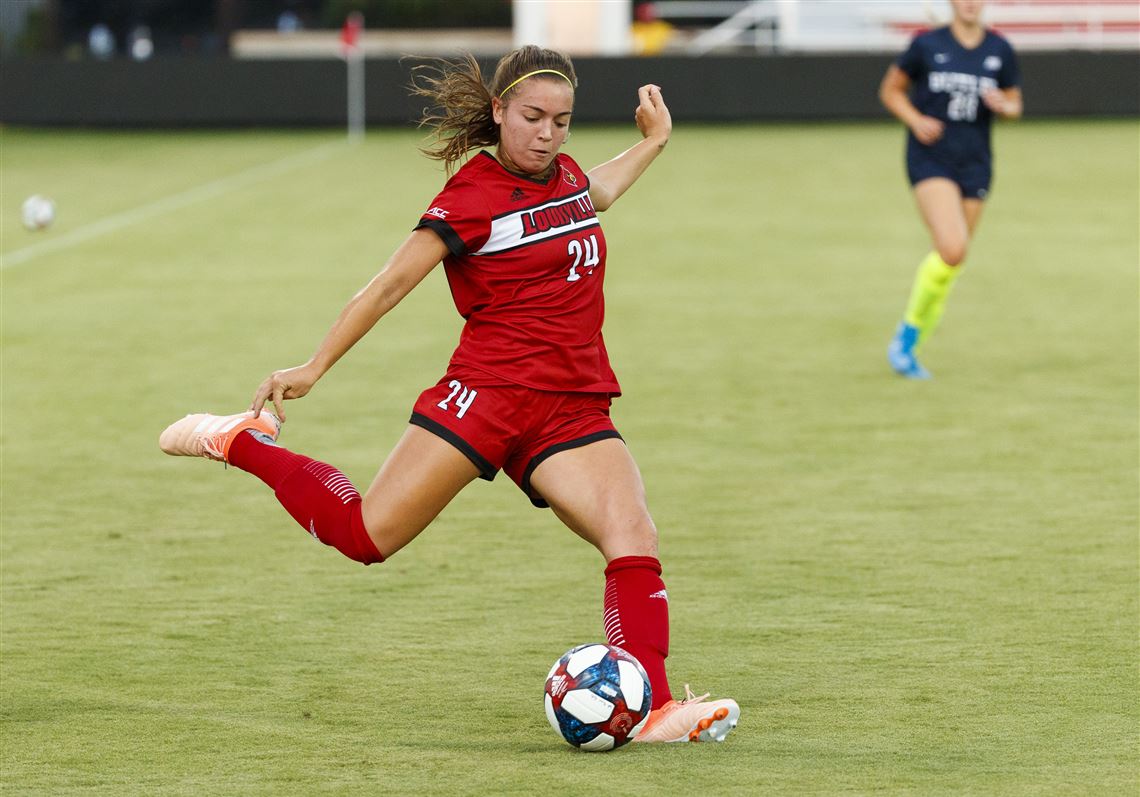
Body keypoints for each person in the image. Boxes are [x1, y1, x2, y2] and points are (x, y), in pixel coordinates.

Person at [159, 45, 739, 744]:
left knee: (633, 533)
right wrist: (314, 366)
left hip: (571, 406)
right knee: (365, 536)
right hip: (485, 396)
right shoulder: (471, 197)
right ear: (499, 112)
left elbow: (600, 191)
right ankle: (238, 441)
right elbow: (388, 287)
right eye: (532, 117)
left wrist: (654, 142)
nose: (548, 133)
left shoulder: (568, 178)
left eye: (562, 120)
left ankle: (654, 708)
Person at [880, 0, 1022, 378]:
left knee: (949, 264)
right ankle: (907, 336)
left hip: (975, 164)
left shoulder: (999, 49)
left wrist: (1003, 106)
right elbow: (891, 91)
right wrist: (915, 119)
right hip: (931, 159)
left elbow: (1015, 104)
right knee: (953, 248)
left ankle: (909, 346)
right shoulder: (926, 44)